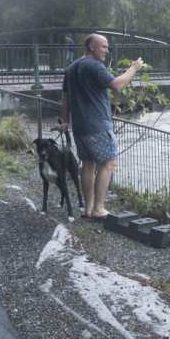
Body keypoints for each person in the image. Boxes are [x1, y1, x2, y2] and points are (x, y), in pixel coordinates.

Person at [61, 33, 143, 219]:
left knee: (88, 164)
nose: (107, 50)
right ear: (92, 47)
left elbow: (65, 98)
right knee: (108, 163)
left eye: (107, 46)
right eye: (104, 46)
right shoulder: (95, 66)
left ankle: (88, 209)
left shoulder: (71, 68)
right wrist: (134, 68)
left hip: (80, 126)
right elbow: (117, 85)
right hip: (97, 124)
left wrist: (65, 121)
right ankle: (98, 208)